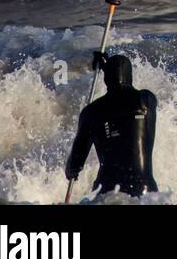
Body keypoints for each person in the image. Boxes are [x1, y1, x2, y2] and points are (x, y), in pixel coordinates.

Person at [65, 52, 158, 197]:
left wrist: (70, 172)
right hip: (145, 192)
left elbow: (74, 165)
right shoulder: (146, 100)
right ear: (130, 76)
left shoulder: (91, 111)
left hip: (109, 193)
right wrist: (108, 67)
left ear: (106, 79)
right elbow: (122, 97)